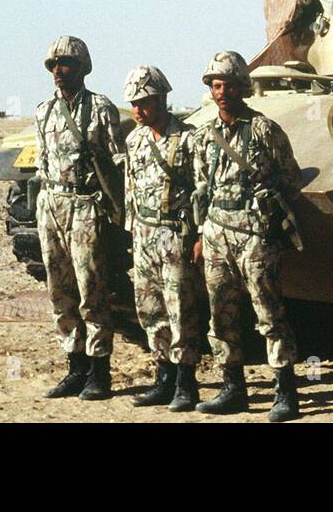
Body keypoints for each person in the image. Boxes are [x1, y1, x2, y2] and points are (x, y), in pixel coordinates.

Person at [192, 50, 305, 422]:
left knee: (269, 314)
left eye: (228, 85)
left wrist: (269, 216)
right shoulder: (206, 135)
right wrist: (200, 232)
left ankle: (285, 391)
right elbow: (201, 188)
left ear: (243, 87)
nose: (221, 92)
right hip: (216, 234)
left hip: (255, 237)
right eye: (216, 85)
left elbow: (290, 177)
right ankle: (232, 388)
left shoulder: (263, 129)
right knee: (220, 314)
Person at [33, 35, 125, 401]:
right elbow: (42, 162)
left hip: (86, 205)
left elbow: (118, 164)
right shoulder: (43, 112)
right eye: (54, 65)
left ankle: (99, 372)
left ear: (83, 68)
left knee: (93, 290)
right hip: (51, 203)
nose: (58, 70)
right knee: (60, 291)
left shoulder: (101, 108)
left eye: (66, 64)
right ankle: (76, 367)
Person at [122, 65, 202, 412]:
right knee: (150, 309)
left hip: (175, 234)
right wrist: (132, 232)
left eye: (145, 103)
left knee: (180, 309)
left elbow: (203, 191)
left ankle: (187, 383)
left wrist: (199, 236)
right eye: (134, 104)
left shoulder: (188, 139)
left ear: (162, 100)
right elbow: (131, 189)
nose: (138, 111)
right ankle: (164, 378)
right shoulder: (134, 140)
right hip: (144, 234)